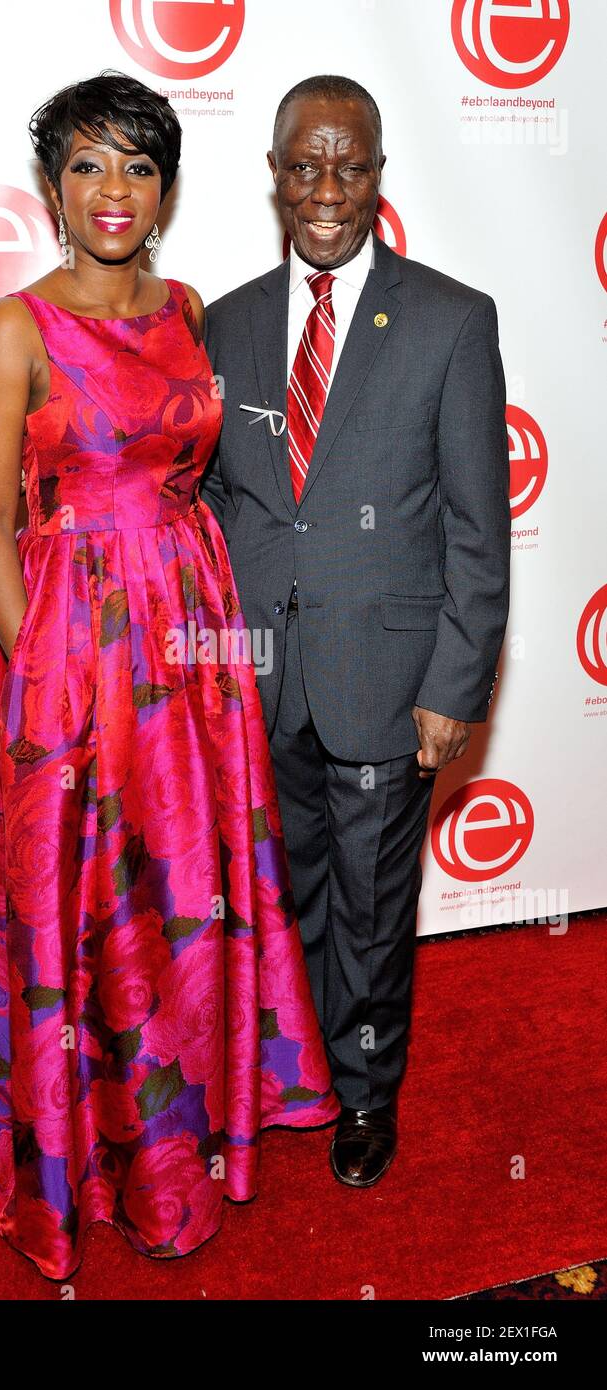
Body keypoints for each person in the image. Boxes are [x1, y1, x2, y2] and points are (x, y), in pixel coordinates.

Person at [0, 70, 339, 1282]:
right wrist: (40, 675)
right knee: (81, 899)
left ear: (165, 190)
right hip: (66, 649)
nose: (115, 190)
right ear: (53, 188)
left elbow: (195, 477)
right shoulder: (16, 329)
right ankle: (82, 1156)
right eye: (90, 165)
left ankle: (184, 1121)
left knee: (183, 893)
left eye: (138, 167)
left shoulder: (190, 306)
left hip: (189, 643)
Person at [199, 74, 511, 1189]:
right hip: (260, 676)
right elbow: (225, 505)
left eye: (353, 164)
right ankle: (291, 1070)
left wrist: (456, 684)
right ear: (276, 174)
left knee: (375, 903)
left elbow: (480, 527)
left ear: (380, 174)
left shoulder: (449, 318)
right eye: (306, 164)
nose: (328, 187)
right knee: (285, 890)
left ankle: (365, 1092)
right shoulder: (224, 322)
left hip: (389, 673)